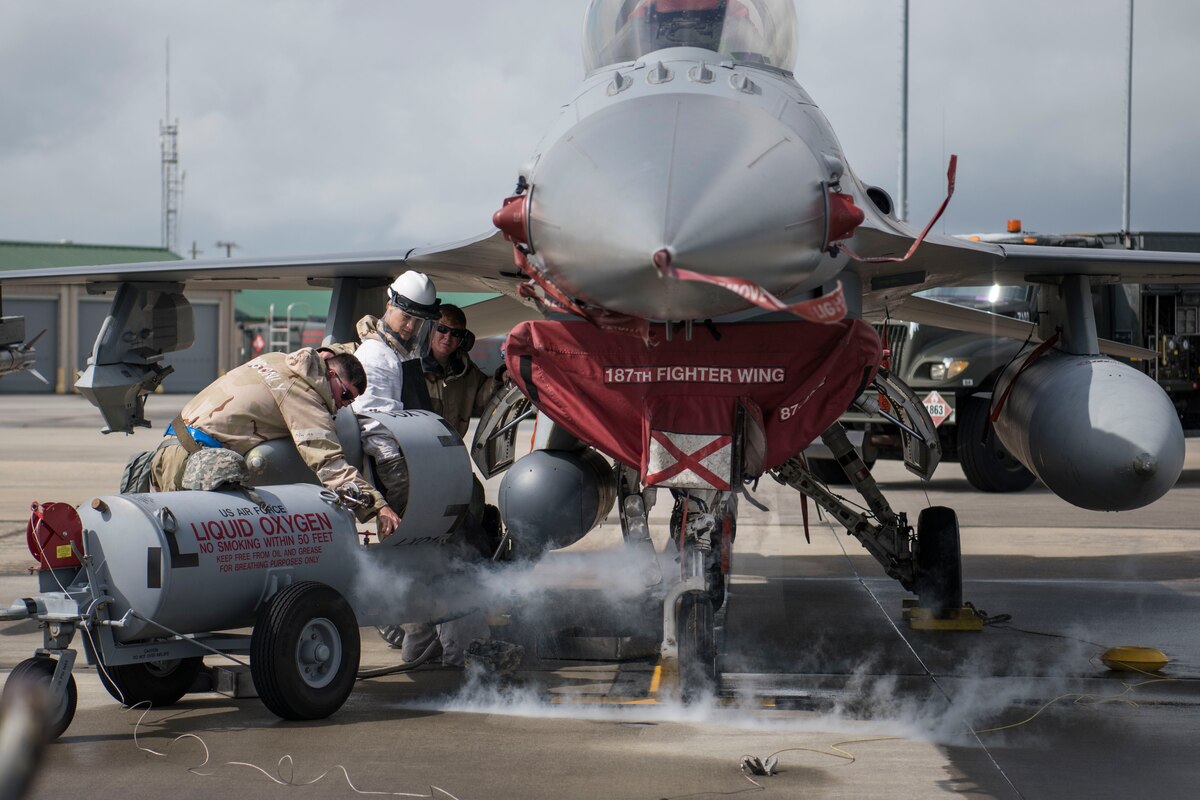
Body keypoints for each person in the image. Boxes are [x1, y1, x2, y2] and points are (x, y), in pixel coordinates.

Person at [150, 347, 400, 536]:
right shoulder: (304, 396)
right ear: (331, 375)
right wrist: (378, 507)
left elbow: (332, 354)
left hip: (168, 451)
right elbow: (329, 463)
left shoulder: (278, 359)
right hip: (196, 468)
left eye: (351, 401)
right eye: (345, 394)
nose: (344, 403)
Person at [351, 271, 442, 524]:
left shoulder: (400, 352)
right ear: (389, 305)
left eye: (419, 321)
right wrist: (400, 482)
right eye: (406, 317)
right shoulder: (376, 355)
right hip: (397, 466)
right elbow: (376, 428)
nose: (411, 327)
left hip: (416, 458)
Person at [423, 304, 501, 439]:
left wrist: (502, 377)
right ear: (430, 329)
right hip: (415, 449)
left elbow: (484, 401)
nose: (448, 338)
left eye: (455, 333)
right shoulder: (411, 367)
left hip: (451, 448)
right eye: (442, 329)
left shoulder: (466, 372)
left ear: (462, 339)